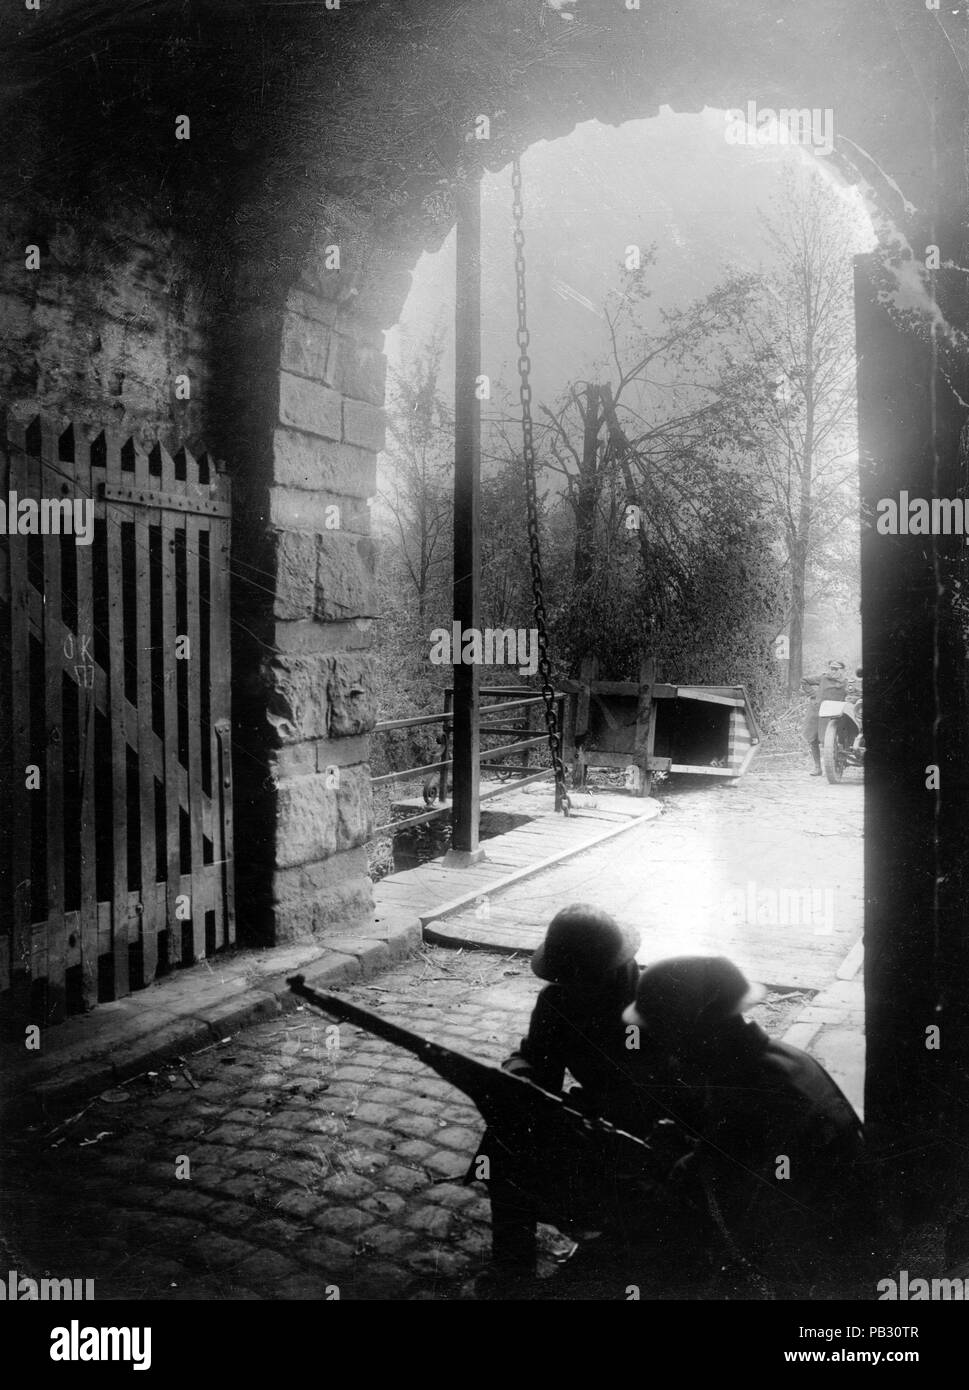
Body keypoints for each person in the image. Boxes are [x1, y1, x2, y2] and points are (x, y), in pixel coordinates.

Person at [621, 955, 878, 1292]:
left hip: (820, 1262)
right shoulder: (779, 1058)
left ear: (687, 1033)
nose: (665, 1049)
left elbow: (722, 1194)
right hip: (841, 1223)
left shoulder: (749, 1096)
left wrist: (673, 1172)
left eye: (664, 1035)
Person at [476, 904, 662, 1283]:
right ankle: (512, 1268)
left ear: (607, 970)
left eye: (579, 977)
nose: (569, 986)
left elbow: (673, 1092)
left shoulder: (658, 1004)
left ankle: (619, 1255)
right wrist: (518, 1080)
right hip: (593, 1121)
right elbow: (536, 1061)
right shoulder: (559, 1002)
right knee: (504, 1143)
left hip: (655, 1132)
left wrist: (602, 1109)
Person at [801, 658, 849, 776]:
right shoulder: (823, 678)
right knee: (812, 739)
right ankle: (817, 767)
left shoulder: (846, 683)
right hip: (817, 713)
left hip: (833, 715)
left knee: (830, 741)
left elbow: (853, 694)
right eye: (831, 668)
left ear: (842, 670)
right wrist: (813, 695)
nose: (833, 671)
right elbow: (804, 680)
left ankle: (833, 766)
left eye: (836, 669)